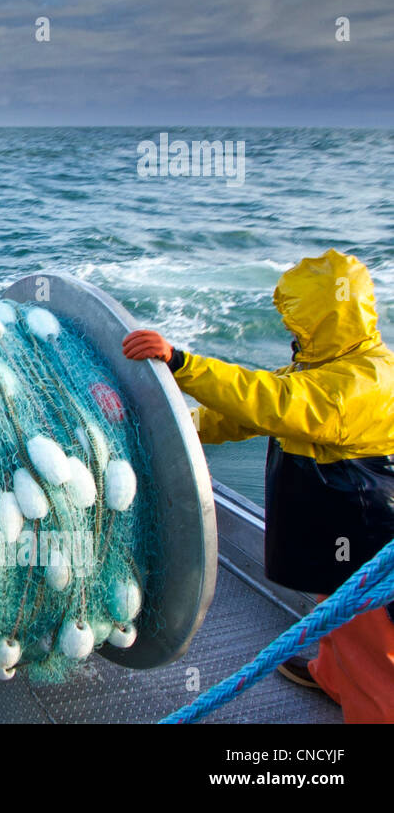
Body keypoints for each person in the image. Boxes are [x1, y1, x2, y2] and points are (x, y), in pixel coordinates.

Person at [122, 248, 394, 723]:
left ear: (326, 321)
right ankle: (332, 673)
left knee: (367, 638)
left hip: (366, 532)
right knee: (333, 606)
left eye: (299, 325)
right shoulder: (328, 365)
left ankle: (371, 705)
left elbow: (271, 401)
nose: (292, 333)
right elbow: (244, 414)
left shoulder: (359, 383)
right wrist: (174, 425)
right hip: (335, 531)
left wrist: (183, 364)